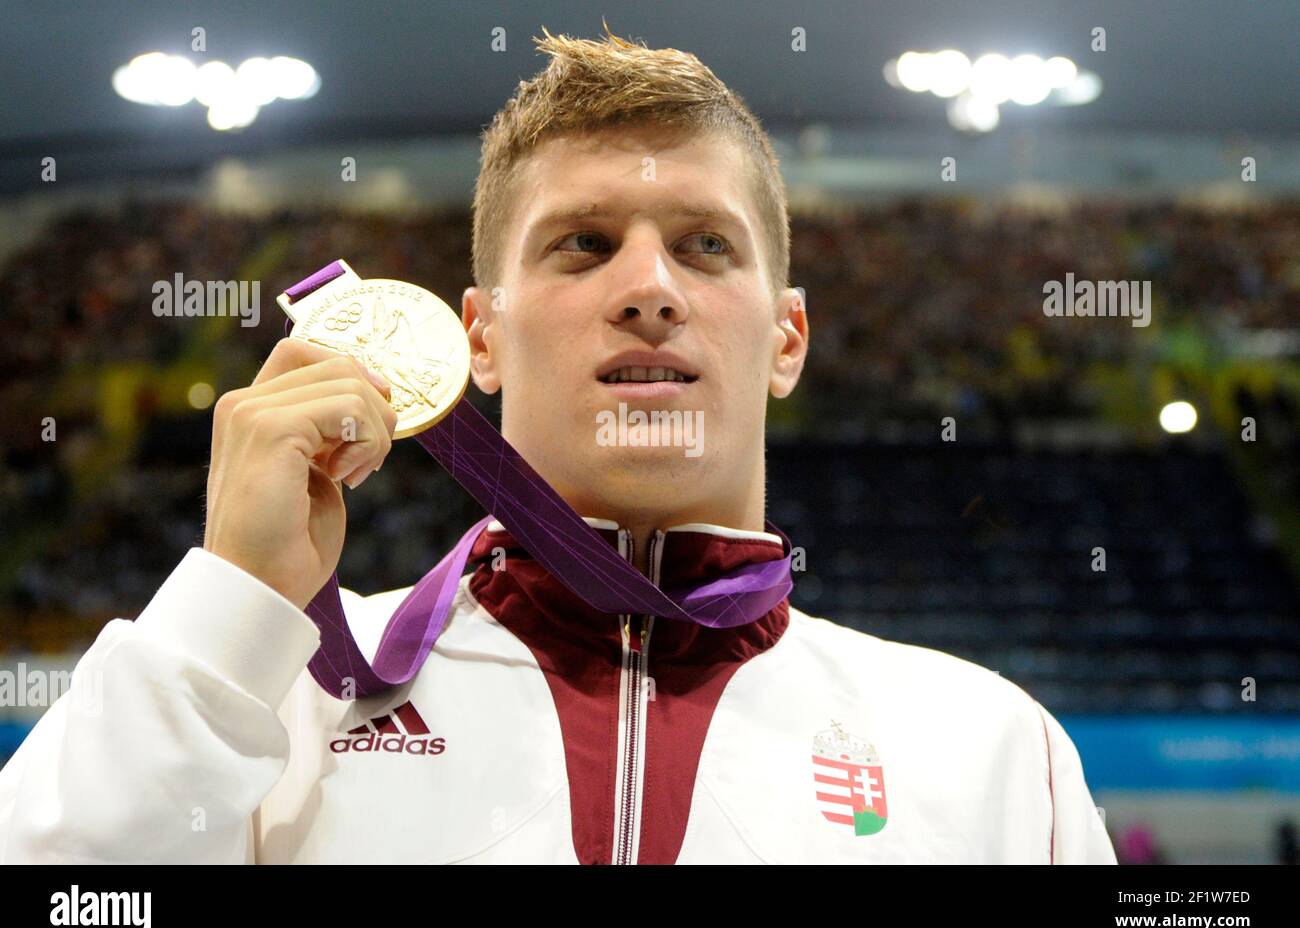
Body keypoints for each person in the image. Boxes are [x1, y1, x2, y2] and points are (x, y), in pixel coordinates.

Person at [0, 26, 1115, 864]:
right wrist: (224, 613)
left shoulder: (987, 755)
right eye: (584, 245)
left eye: (705, 245)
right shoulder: (273, 702)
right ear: (479, 337)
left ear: (787, 339)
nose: (647, 289)